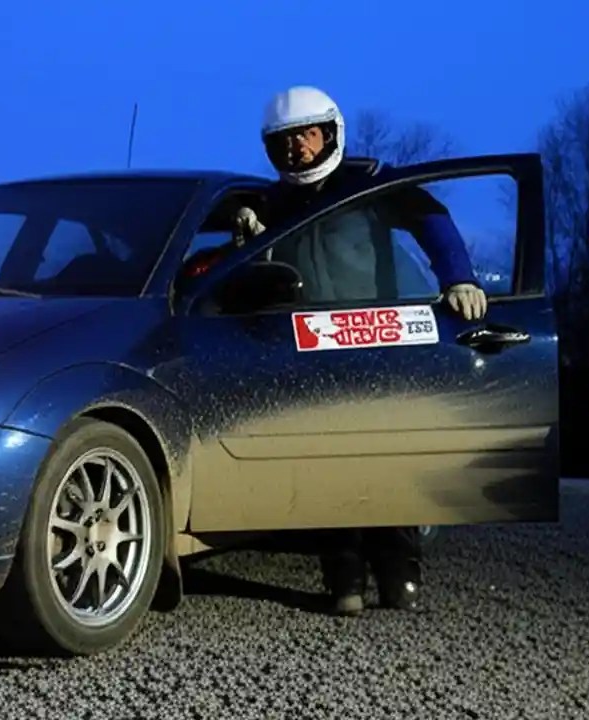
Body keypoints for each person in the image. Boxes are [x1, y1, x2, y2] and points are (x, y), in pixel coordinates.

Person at [186, 85, 489, 616]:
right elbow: (229, 276)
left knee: (390, 458)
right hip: (311, 345)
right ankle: (343, 577)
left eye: (307, 135)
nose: (296, 148)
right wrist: (246, 242)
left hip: (384, 336)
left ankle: (400, 575)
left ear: (330, 133)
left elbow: (431, 219)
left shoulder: (369, 183)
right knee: (326, 459)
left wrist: (459, 278)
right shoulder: (267, 205)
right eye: (283, 140)